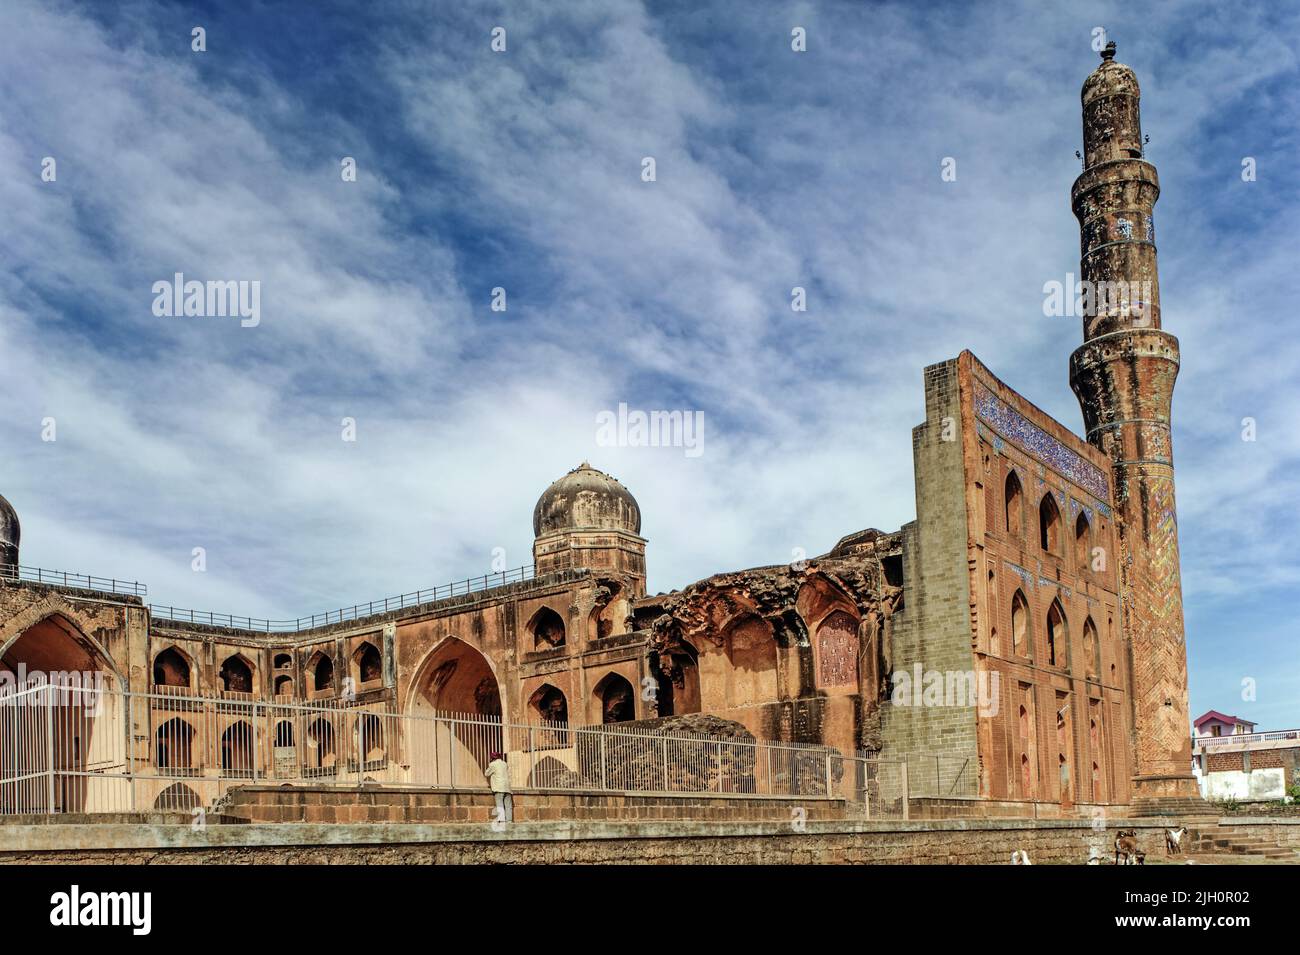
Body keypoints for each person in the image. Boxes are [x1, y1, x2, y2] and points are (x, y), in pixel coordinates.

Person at [485, 751, 512, 823]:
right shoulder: (504, 764)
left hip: (499, 787)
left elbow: (486, 774)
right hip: (507, 787)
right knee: (508, 805)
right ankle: (509, 820)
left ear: (492, 758)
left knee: (500, 804)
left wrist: (490, 764)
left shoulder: (493, 764)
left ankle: (501, 820)